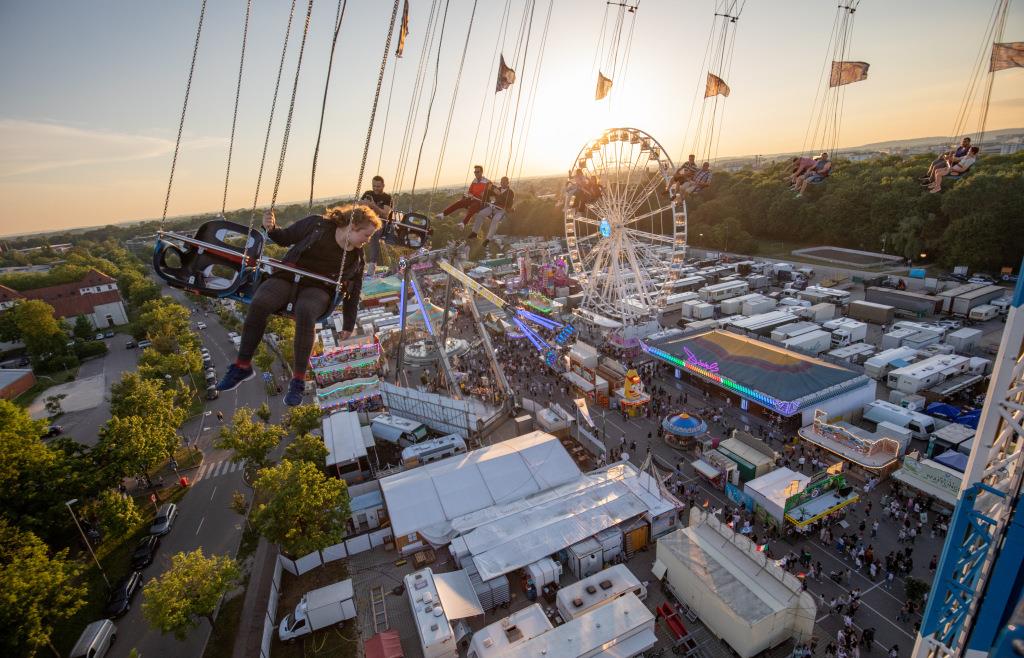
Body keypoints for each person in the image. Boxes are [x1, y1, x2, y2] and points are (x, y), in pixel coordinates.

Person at [216, 204, 382, 406]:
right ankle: (242, 365)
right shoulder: (317, 225)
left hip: (320, 289)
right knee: (260, 302)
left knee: (306, 311)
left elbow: (354, 293)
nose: (368, 240)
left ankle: (298, 381)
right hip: (289, 276)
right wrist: (271, 228)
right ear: (353, 226)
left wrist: (348, 324)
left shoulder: (356, 258)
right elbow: (285, 238)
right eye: (367, 235)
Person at [469, 176, 514, 248]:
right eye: (501, 182)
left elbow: (509, 203)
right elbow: (489, 195)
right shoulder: (497, 189)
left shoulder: (511, 192)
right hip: (493, 207)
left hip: (501, 210)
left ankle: (488, 239)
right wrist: (489, 189)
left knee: (495, 220)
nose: (502, 183)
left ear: (508, 183)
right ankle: (475, 232)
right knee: (481, 214)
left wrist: (500, 195)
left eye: (504, 182)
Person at [360, 175, 393, 271]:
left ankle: (372, 264)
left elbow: (385, 214)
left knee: (374, 233)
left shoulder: (387, 198)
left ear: (383, 186)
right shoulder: (368, 193)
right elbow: (360, 204)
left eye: (378, 186)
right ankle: (359, 261)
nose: (375, 188)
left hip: (381, 222)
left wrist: (373, 205)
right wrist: (364, 204)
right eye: (374, 186)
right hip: (366, 220)